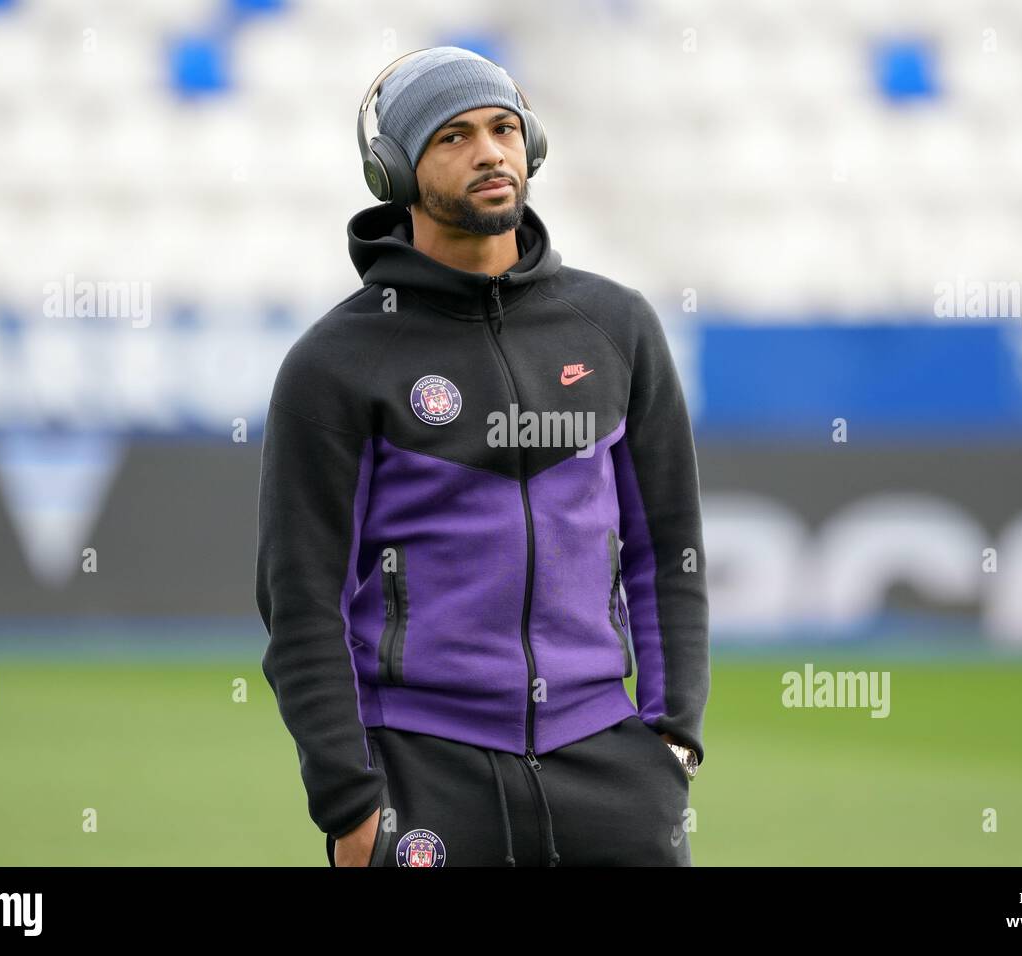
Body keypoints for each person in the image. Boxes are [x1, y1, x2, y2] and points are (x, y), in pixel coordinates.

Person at [255, 46, 709, 867]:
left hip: (611, 768)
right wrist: (350, 802)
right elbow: (300, 604)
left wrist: (672, 740)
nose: (490, 152)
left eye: (504, 128)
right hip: (421, 774)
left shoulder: (618, 326)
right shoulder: (335, 361)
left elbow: (668, 551)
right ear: (394, 171)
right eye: (453, 137)